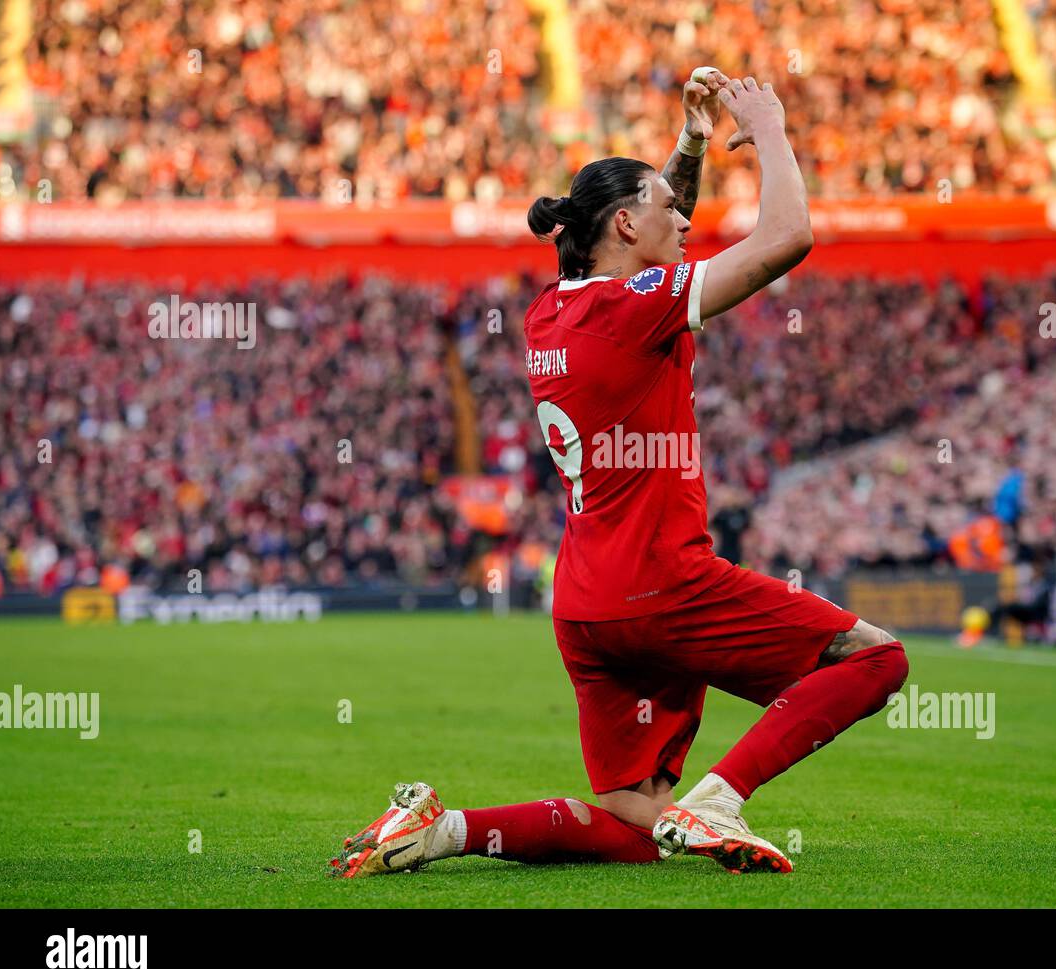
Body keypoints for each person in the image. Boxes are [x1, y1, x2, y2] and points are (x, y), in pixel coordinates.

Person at [330, 70, 909, 877]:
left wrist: (692, 144)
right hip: (666, 585)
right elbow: (786, 240)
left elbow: (645, 241)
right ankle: (719, 799)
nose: (685, 220)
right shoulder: (635, 308)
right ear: (627, 224)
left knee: (634, 826)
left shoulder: (551, 311)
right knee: (876, 660)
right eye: (669, 211)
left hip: (588, 606)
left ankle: (441, 829)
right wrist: (768, 130)